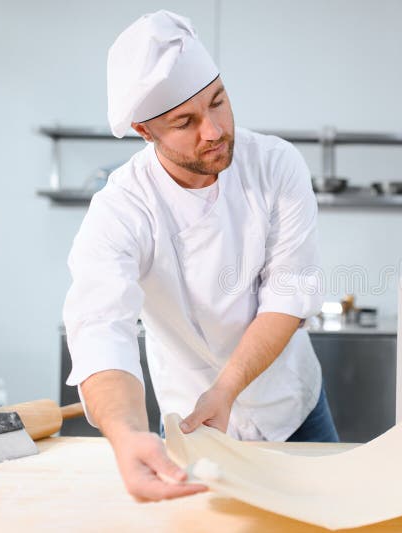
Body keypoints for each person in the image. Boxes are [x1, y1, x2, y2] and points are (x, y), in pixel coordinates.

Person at [63, 10, 337, 503]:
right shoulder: (122, 208)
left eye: (219, 102)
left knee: (331, 514)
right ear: (147, 133)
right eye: (185, 122)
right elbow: (101, 326)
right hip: (193, 423)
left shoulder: (276, 165)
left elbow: (288, 294)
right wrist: (127, 435)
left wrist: (228, 387)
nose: (213, 131)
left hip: (292, 407)